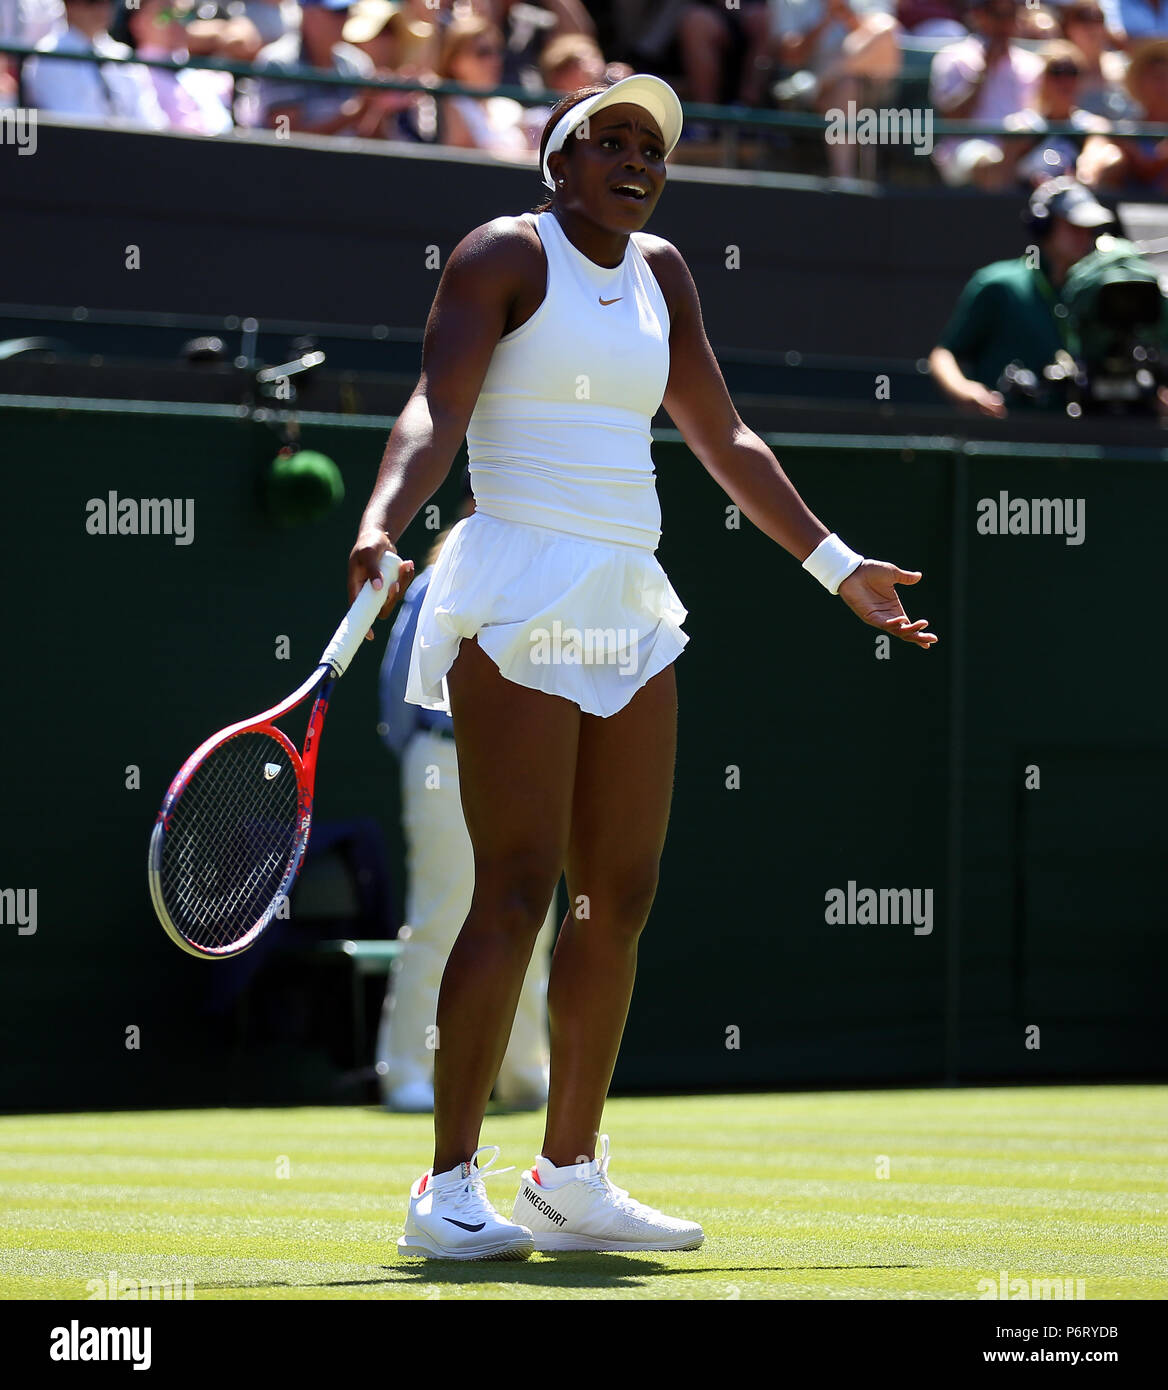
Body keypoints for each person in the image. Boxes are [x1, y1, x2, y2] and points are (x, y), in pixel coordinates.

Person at [346, 73, 937, 1260]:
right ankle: (445, 1187)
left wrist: (835, 565)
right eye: (608, 141)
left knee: (615, 896)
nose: (635, 161)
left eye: (651, 149)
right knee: (513, 887)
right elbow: (434, 407)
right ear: (558, 163)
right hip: (518, 581)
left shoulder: (664, 272)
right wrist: (381, 520)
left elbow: (723, 436)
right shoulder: (497, 256)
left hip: (627, 591)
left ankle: (565, 1178)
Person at [375, 483, 554, 1115]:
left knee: (529, 913)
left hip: (527, 765)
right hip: (444, 759)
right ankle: (409, 1075)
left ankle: (525, 1075)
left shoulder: (553, 583)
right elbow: (399, 692)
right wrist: (436, 751)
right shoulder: (434, 585)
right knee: (443, 915)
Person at [928, 176, 1115, 416]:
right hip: (1008, 435)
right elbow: (944, 353)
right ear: (1045, 226)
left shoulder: (1100, 292)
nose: (1084, 238)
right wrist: (964, 389)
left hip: (1080, 440)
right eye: (1073, 227)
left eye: (1089, 230)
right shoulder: (999, 284)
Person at [929, 0, 1044, 188]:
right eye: (998, 15)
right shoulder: (953, 57)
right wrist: (983, 74)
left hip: (1022, 149)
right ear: (978, 15)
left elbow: (1039, 116)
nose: (1005, 23)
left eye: (1011, 15)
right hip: (966, 147)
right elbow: (951, 119)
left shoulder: (1032, 64)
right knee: (988, 163)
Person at [254, 0, 410, 136]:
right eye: (337, 12)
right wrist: (356, 110)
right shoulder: (279, 62)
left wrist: (377, 107)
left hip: (347, 166)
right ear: (309, 14)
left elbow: (367, 137)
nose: (344, 19)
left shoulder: (356, 62)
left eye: (346, 11)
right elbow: (285, 137)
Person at [25, 0, 168, 127]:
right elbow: (71, 124)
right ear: (69, 5)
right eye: (93, 1)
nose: (104, 7)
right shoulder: (47, 57)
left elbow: (151, 121)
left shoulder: (122, 55)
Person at [115, 0, 235, 135]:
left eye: (183, 15)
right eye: (165, 15)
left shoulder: (197, 75)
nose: (178, 23)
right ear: (137, 24)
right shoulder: (128, 73)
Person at [1000, 40, 1109, 187]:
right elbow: (1002, 179)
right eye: (1056, 71)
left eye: (1072, 72)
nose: (1065, 80)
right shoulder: (1022, 124)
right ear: (1042, 79)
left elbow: (1091, 166)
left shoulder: (1093, 125)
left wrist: (1081, 176)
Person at [435, 13, 532, 155]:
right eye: (483, 52)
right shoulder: (451, 106)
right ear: (455, 62)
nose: (495, 61)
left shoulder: (509, 107)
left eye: (497, 51)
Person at [1060, 0, 1138, 119]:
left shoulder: (1123, 65)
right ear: (1068, 28)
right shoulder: (1058, 69)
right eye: (1083, 18)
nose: (1092, 27)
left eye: (1098, 19)